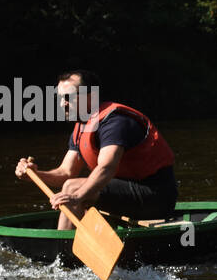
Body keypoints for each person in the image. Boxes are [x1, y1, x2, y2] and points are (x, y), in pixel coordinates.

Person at [13, 70, 177, 228]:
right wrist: (34, 174)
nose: (63, 104)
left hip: (156, 197)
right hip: (128, 193)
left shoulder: (115, 122)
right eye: (60, 98)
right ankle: (71, 246)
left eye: (68, 97)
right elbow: (65, 173)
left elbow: (107, 168)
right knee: (74, 187)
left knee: (74, 188)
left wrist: (76, 196)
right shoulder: (82, 127)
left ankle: (62, 254)